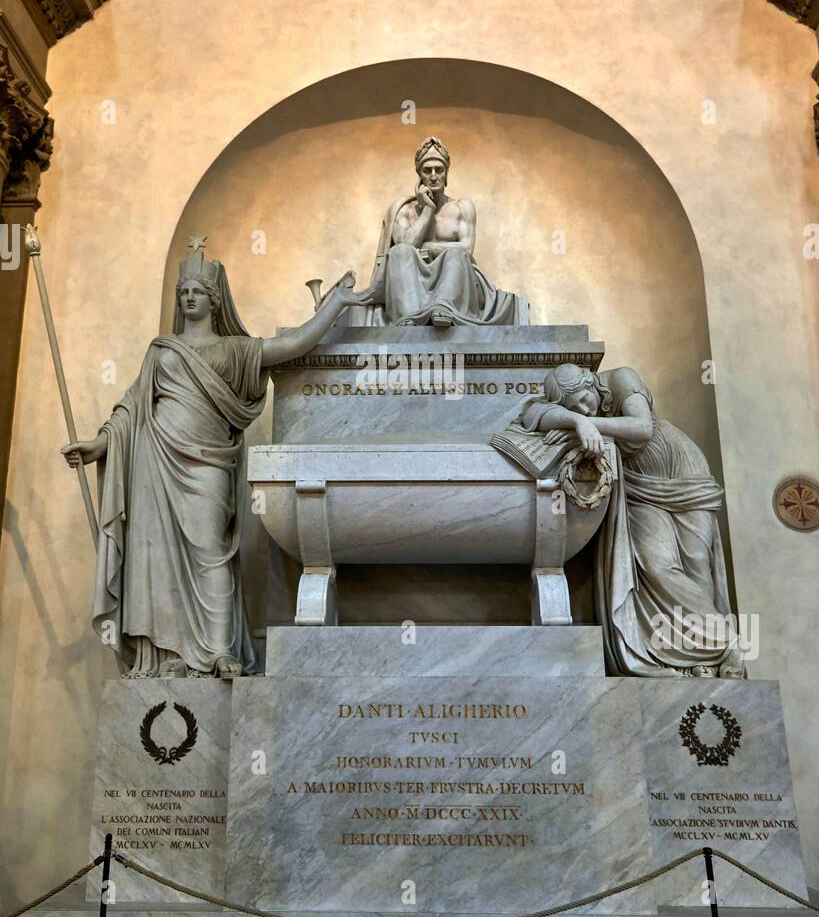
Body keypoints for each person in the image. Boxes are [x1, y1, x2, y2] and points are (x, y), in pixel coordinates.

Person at [62, 242, 363, 678]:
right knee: (155, 555)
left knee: (211, 552)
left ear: (214, 300)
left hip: (207, 464)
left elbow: (294, 344)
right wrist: (99, 444)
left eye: (197, 292)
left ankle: (220, 651)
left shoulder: (234, 350)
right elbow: (131, 407)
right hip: (155, 461)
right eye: (183, 290)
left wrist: (336, 302)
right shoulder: (161, 350)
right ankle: (164, 655)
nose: (188, 298)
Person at [516, 363, 740, 677]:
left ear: (589, 379)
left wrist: (588, 423)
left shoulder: (622, 378)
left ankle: (706, 658)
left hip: (680, 471)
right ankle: (720, 643)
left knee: (696, 564)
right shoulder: (577, 413)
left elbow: (641, 428)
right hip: (635, 483)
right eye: (574, 406)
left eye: (583, 398)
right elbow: (531, 415)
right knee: (657, 564)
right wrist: (577, 421)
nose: (584, 406)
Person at [364, 137, 519, 326]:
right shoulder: (403, 210)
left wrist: (428, 248)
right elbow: (406, 245)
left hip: (456, 279)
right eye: (427, 170)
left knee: (456, 254)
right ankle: (409, 315)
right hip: (413, 283)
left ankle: (445, 309)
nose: (433, 175)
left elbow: (467, 249)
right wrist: (427, 209)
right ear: (419, 175)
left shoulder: (462, 207)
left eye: (439, 170)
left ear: (446, 173)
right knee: (398, 251)